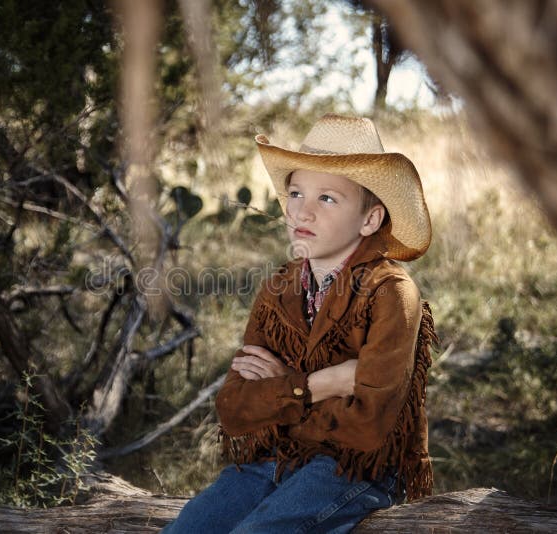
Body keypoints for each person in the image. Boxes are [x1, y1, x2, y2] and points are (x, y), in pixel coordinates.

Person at [163, 113, 437, 533]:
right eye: (295, 193)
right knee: (186, 530)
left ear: (369, 220)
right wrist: (317, 384)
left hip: (358, 469)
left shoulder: (391, 294)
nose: (302, 212)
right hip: (280, 455)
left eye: (327, 198)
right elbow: (234, 409)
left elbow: (368, 428)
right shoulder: (279, 288)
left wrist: (279, 392)